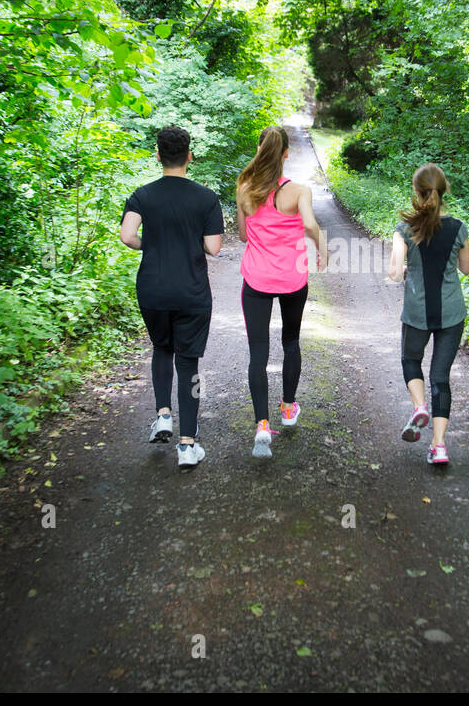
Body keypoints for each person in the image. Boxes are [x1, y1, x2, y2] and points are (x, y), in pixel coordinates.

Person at [119, 126, 224, 469]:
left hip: (152, 289)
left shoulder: (141, 195)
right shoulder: (206, 198)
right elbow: (213, 247)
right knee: (188, 363)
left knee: (162, 348)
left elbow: (127, 236)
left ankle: (163, 414)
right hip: (191, 292)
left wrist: (151, 244)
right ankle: (187, 445)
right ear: (189, 156)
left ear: (158, 155)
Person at [236, 125, 323, 458]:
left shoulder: (245, 189)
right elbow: (311, 225)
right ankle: (288, 409)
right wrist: (321, 247)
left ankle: (261, 425)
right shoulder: (299, 191)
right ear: (287, 153)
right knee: (291, 342)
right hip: (292, 280)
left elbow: (244, 237)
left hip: (256, 280)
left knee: (258, 352)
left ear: (260, 149)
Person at [387, 163, 469, 465]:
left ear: (416, 192)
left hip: (417, 312)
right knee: (440, 377)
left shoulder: (404, 230)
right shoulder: (459, 228)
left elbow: (395, 274)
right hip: (451, 313)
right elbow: (466, 268)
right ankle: (438, 447)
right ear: (443, 190)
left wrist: (408, 265)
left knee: (411, 360)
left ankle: (419, 406)